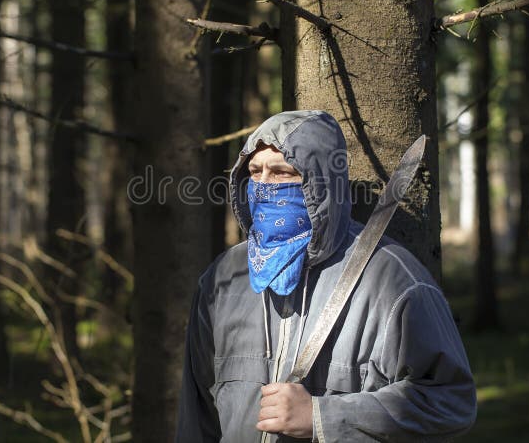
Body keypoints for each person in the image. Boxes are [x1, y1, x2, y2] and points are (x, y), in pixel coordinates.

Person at [176, 110, 477, 442]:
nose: (263, 186)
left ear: (319, 181)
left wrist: (323, 417)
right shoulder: (224, 279)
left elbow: (451, 401)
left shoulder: (391, 280)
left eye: (281, 172)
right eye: (255, 172)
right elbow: (196, 418)